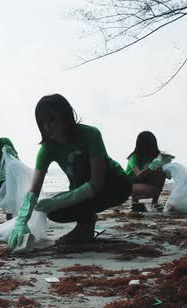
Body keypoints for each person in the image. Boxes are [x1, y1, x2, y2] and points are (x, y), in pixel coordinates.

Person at [8, 93, 132, 249]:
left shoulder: (90, 134)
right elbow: (34, 190)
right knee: (53, 211)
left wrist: (60, 201)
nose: (47, 127)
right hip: (84, 192)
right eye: (42, 123)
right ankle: (87, 222)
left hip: (116, 185)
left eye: (52, 120)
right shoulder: (47, 149)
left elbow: (97, 183)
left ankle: (84, 228)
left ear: (66, 117)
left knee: (78, 162)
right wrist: (21, 221)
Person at [125, 131, 172, 212]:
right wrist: (153, 165)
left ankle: (154, 202)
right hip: (130, 185)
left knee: (161, 171)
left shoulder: (156, 156)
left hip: (145, 182)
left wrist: (167, 167)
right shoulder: (134, 157)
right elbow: (139, 175)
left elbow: (168, 176)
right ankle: (135, 200)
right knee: (154, 190)